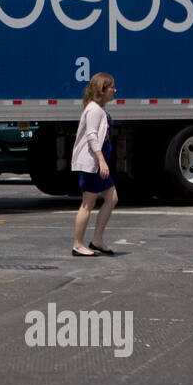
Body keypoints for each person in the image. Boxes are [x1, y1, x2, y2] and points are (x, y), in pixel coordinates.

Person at [69, 72, 119, 257]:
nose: (115, 90)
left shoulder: (98, 109)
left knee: (112, 197)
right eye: (111, 87)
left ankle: (97, 240)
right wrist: (101, 160)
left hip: (98, 164)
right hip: (92, 164)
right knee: (87, 204)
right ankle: (78, 244)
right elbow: (91, 135)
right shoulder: (94, 110)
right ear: (103, 90)